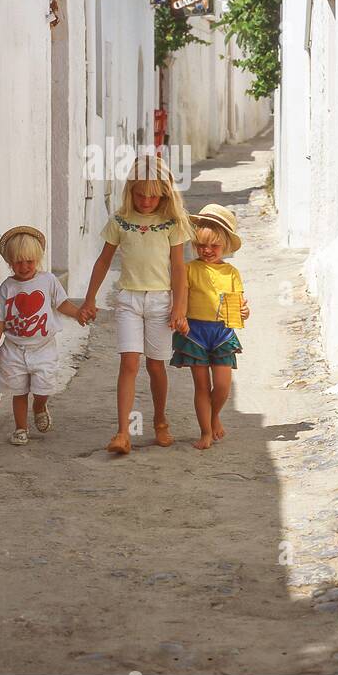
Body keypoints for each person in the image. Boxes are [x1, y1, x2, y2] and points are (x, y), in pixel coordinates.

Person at [78, 154, 193, 455]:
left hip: (160, 301)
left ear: (164, 194)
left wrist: (179, 307)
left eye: (153, 197)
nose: (145, 201)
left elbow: (179, 268)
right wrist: (90, 298)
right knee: (128, 363)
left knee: (156, 365)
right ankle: (122, 432)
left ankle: (160, 421)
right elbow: (104, 261)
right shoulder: (120, 221)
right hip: (128, 299)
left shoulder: (172, 223)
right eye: (140, 195)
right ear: (131, 191)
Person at [0, 226, 83, 445]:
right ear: (10, 262)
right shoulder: (7, 287)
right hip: (13, 349)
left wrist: (79, 314)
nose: (24, 267)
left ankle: (39, 405)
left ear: (38, 259)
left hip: (43, 348)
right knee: (18, 391)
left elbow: (62, 304)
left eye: (29, 261)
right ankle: (21, 428)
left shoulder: (48, 281)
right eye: (18, 262)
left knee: (43, 386)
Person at [170, 204, 249, 450]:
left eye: (214, 246)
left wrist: (245, 312)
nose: (207, 250)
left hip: (223, 332)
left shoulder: (232, 273)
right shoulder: (190, 269)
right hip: (195, 333)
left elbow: (238, 307)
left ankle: (215, 416)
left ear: (225, 245)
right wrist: (180, 318)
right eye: (201, 245)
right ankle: (205, 431)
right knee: (202, 386)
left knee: (223, 385)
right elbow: (181, 297)